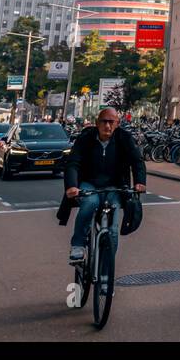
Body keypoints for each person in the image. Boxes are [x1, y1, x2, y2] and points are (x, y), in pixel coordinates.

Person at [64, 108, 146, 263]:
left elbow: (137, 161)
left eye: (111, 122)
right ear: (97, 123)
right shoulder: (86, 138)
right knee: (90, 203)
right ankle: (78, 245)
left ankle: (106, 272)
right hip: (89, 184)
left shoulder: (124, 138)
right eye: (104, 121)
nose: (107, 126)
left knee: (113, 230)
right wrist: (72, 186)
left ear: (117, 124)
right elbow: (73, 163)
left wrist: (140, 182)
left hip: (114, 186)